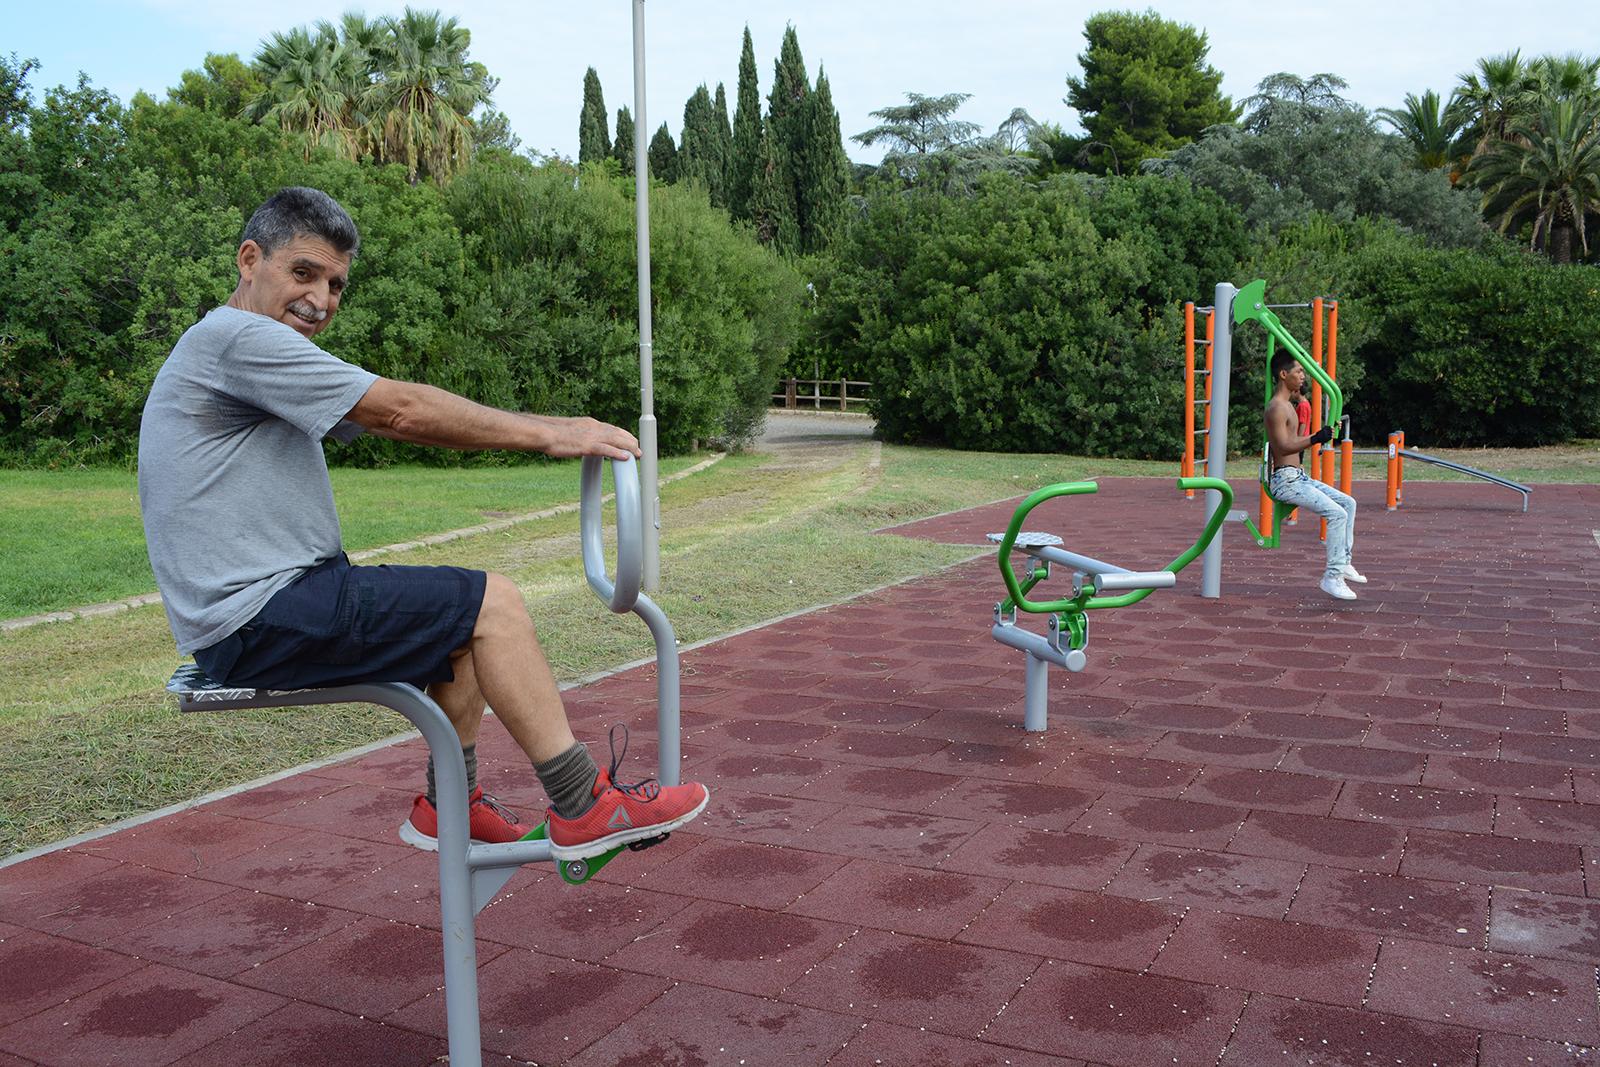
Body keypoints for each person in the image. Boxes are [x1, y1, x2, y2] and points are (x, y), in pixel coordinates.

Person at [138, 187, 708, 860]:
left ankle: (450, 806)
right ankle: (583, 806)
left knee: (459, 627)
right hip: (258, 612)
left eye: (335, 284)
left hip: (264, 606)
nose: (320, 300)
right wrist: (554, 434)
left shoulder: (243, 346)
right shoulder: (241, 339)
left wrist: (553, 429)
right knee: (493, 602)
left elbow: (407, 420)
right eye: (303, 273)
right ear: (249, 259)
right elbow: (401, 411)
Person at [1264, 350, 1365, 601]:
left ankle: (1343, 563)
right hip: (1284, 481)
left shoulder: (1290, 406)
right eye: (1299, 371)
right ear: (1283, 374)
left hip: (1297, 476)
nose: (1303, 376)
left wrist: (1320, 435)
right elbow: (1283, 447)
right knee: (1337, 513)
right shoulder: (1276, 408)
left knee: (1348, 503)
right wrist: (1316, 438)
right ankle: (1332, 577)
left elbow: (1294, 442)